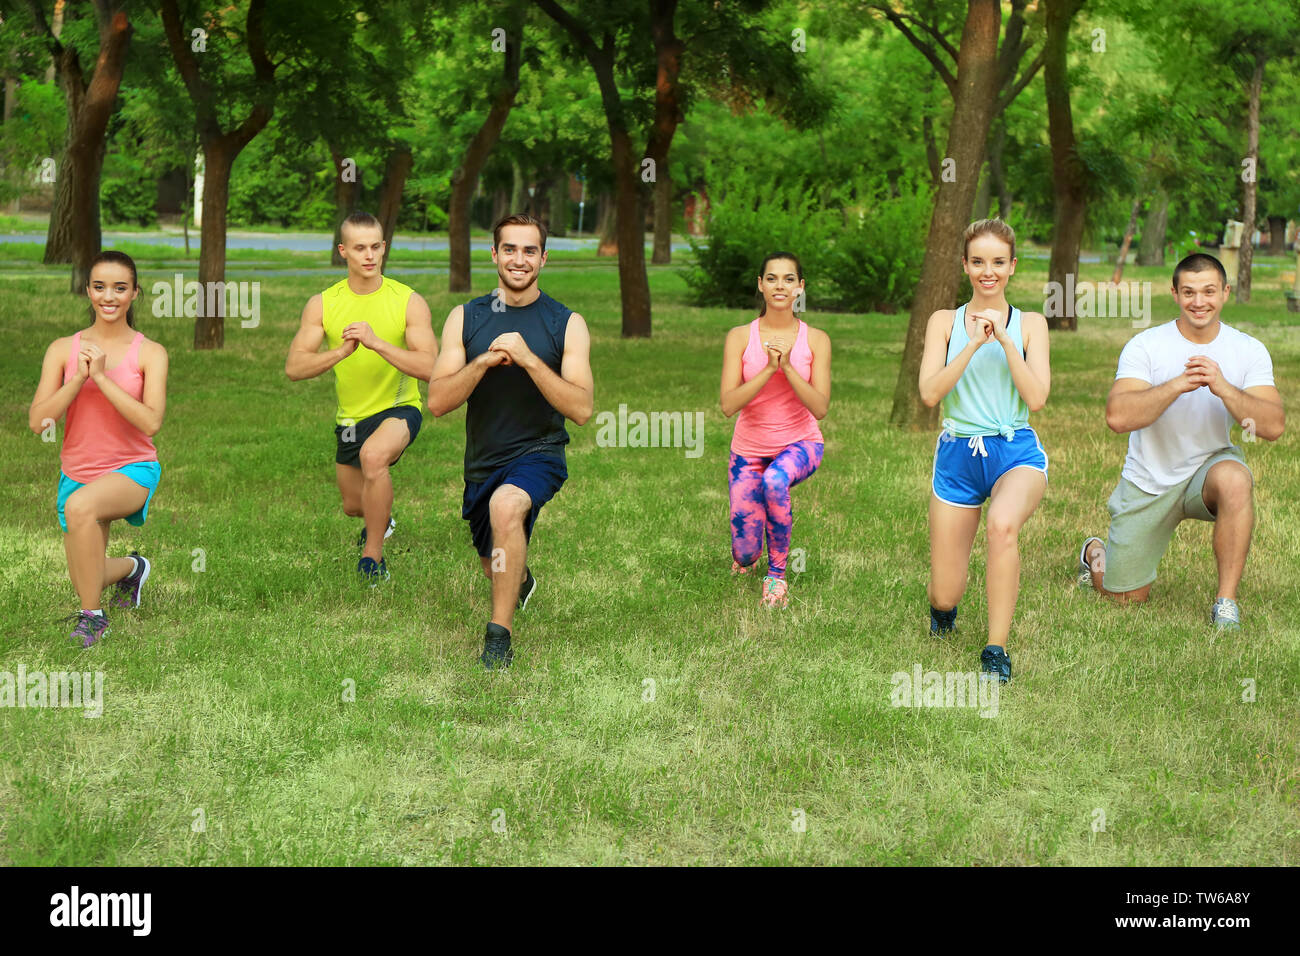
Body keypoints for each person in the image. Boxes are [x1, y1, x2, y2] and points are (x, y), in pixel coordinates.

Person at [1078, 253, 1284, 629]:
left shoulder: (1248, 349)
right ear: (1174, 293)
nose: (1199, 301)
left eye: (1209, 291)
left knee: (1236, 479)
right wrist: (1177, 385)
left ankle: (1226, 603)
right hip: (1149, 480)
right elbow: (1117, 418)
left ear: (1225, 292)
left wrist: (1223, 388)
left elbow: (1271, 426)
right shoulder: (1146, 345)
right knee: (1124, 598)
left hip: (1208, 470)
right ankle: (1095, 553)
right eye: (1189, 291)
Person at [428, 214, 593, 670]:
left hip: (539, 453)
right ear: (494, 254)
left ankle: (497, 640)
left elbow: (580, 409)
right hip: (482, 462)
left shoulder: (567, 323)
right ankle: (518, 578)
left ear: (544, 257)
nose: (519, 260)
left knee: (506, 508)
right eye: (510, 249)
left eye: (529, 251)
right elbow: (438, 402)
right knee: (495, 562)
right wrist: (481, 362)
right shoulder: (466, 317)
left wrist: (530, 361)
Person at [918, 219, 1051, 683]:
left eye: (998, 262)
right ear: (965, 265)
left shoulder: (1032, 324)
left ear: (1012, 266)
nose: (987, 271)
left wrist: (1007, 342)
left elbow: (1036, 399)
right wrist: (973, 342)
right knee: (945, 593)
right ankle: (943, 610)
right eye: (978, 262)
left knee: (1002, 525)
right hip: (958, 455)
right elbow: (930, 394)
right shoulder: (943, 322)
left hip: (1015, 451)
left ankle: (996, 649)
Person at [286, 211, 437, 582]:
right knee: (355, 506)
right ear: (343, 252)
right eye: (359, 248)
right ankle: (380, 516)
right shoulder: (323, 303)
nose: (369, 256)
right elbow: (295, 367)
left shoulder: (408, 301)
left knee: (374, 457)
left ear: (384, 248)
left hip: (399, 409)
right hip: (351, 421)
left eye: (375, 247)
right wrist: (340, 352)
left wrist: (377, 343)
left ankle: (373, 559)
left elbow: (433, 368)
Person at [28, 251, 167, 647]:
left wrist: (103, 379)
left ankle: (94, 618)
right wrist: (78, 380)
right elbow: (40, 422)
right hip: (77, 473)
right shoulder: (61, 349)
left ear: (134, 293)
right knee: (86, 576)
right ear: (88, 290)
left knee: (81, 509)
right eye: (100, 286)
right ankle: (133, 568)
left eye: (120, 288)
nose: (109, 296)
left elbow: (151, 422)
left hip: (131, 469)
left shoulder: (150, 353)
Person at [719, 251, 830, 609]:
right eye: (771, 278)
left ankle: (777, 577)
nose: (779, 286)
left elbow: (820, 407)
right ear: (760, 285)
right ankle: (751, 557)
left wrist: (789, 368)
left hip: (802, 443)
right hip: (748, 451)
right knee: (745, 552)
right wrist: (768, 369)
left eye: (788, 279)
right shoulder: (739, 337)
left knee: (775, 482)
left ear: (800, 287)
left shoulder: (817, 340)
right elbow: (728, 405)